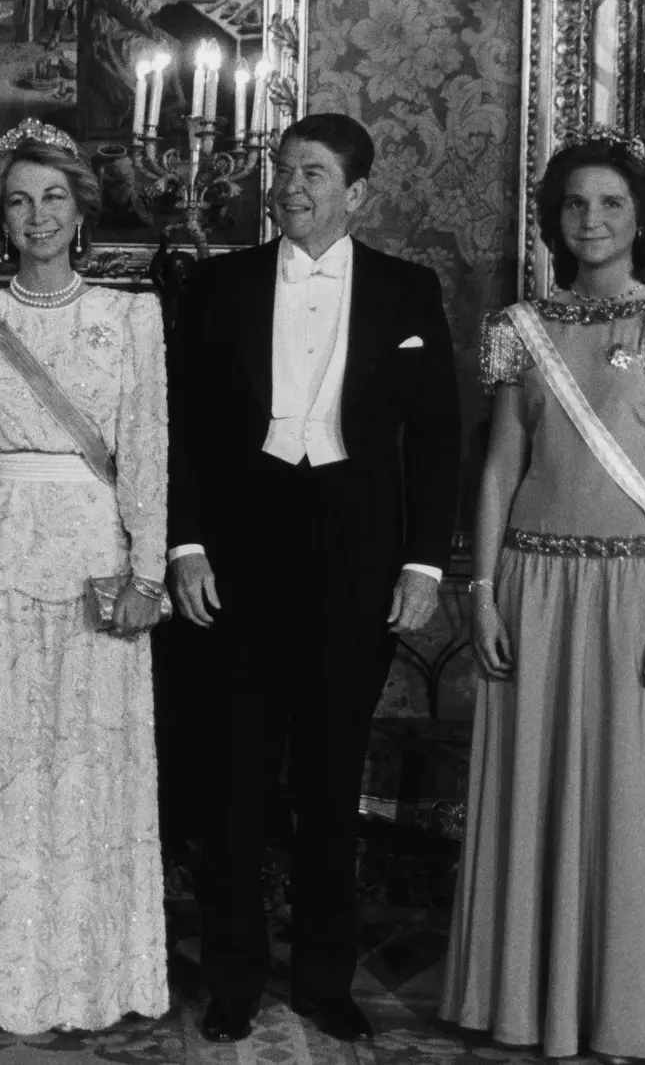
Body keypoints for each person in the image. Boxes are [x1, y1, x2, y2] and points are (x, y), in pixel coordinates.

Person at [166, 113, 460, 1044]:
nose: (292, 187)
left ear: (357, 193)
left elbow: (440, 438)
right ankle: (234, 979)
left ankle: (327, 982)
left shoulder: (410, 292)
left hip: (358, 553)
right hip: (241, 549)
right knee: (235, 779)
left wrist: (423, 561)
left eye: (315, 173)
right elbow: (182, 431)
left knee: (333, 780)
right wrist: (185, 546)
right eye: (285, 170)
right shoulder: (218, 285)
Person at [441, 131, 645, 1060]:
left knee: (629, 807)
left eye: (609, 204)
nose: (591, 220)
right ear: (554, 219)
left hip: (634, 593)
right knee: (536, 796)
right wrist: (481, 592)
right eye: (574, 205)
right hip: (532, 587)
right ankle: (528, 1003)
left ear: (639, 216)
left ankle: (628, 1008)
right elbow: (496, 473)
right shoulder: (520, 327)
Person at [0, 117, 170, 1034]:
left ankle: (85, 977)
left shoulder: (129, 315)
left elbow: (146, 449)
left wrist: (148, 567)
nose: (36, 216)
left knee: (83, 764)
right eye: (19, 200)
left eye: (53, 197)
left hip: (93, 559)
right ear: (2, 216)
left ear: (80, 211)